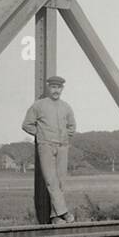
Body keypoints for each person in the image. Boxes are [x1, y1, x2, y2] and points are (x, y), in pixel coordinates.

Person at [21, 75, 77, 224]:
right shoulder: (38, 105)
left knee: (60, 182)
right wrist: (40, 135)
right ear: (48, 87)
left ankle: (55, 217)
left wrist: (65, 137)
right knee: (51, 181)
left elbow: (72, 127)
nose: (56, 90)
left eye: (58, 87)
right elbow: (27, 124)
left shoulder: (66, 107)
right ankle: (64, 212)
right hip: (46, 146)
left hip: (62, 147)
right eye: (53, 87)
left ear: (62, 89)